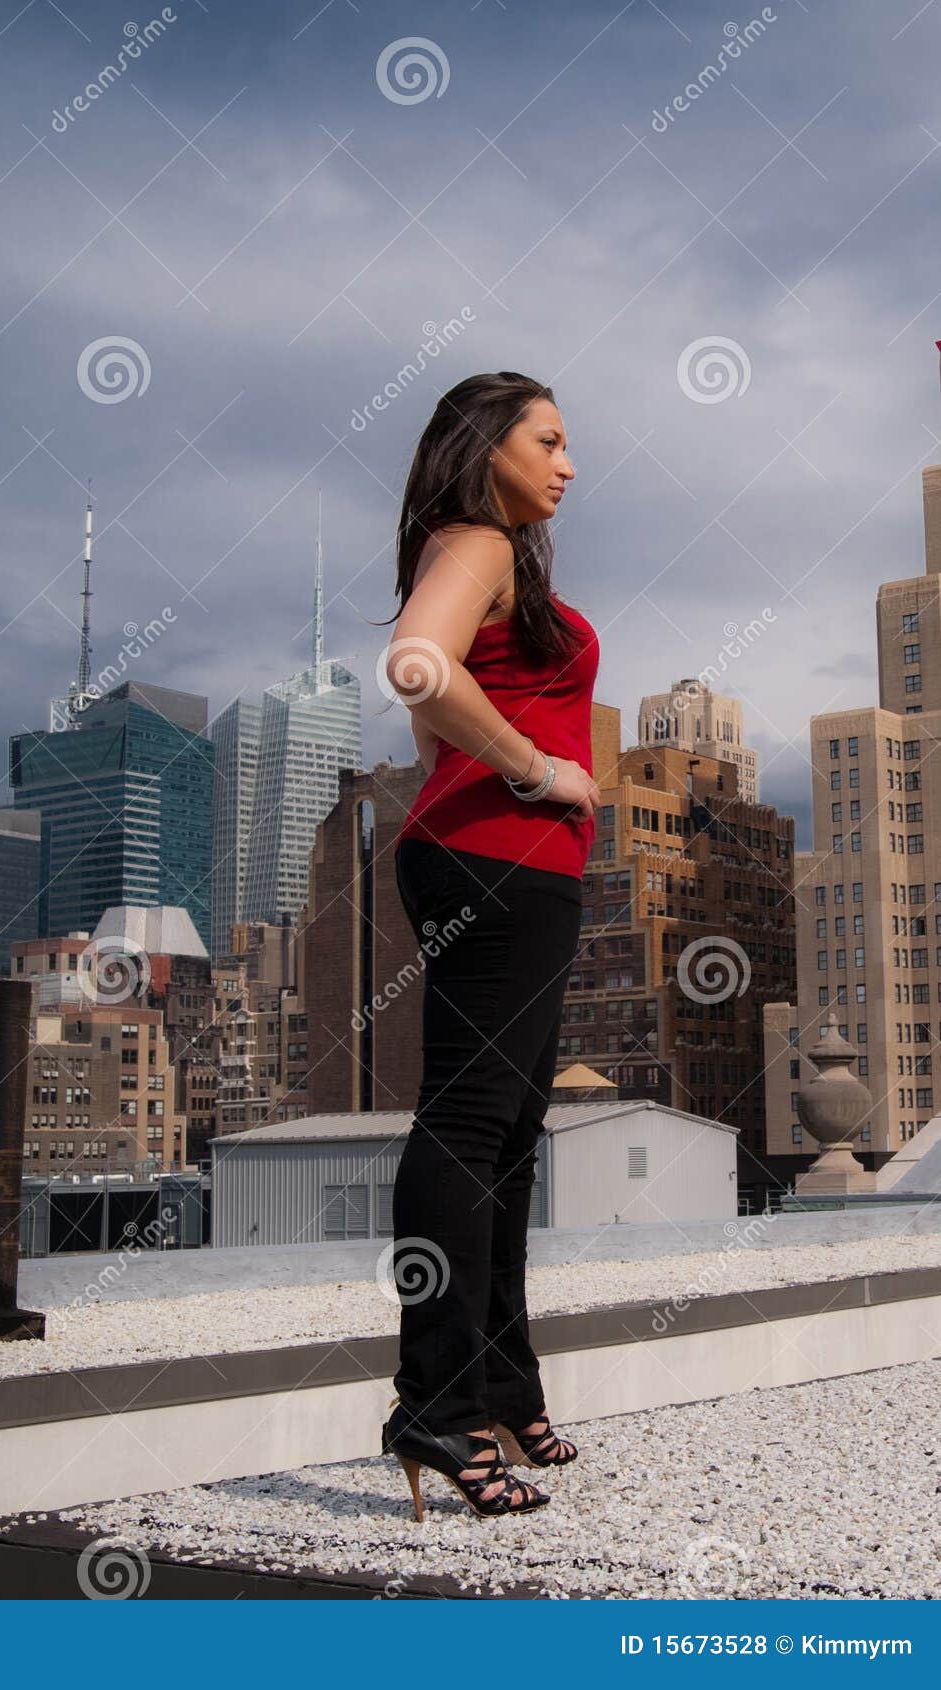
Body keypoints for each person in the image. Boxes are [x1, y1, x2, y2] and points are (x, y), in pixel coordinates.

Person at [379, 371, 601, 1521]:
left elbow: (429, 731)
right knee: (469, 1124)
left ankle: (500, 1389)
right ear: (487, 445)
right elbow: (417, 666)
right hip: (501, 859)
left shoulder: (488, 551)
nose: (568, 462)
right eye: (549, 440)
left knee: (508, 1130)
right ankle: (434, 1400)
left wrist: (501, 769)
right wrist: (537, 769)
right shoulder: (473, 539)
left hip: (510, 866)